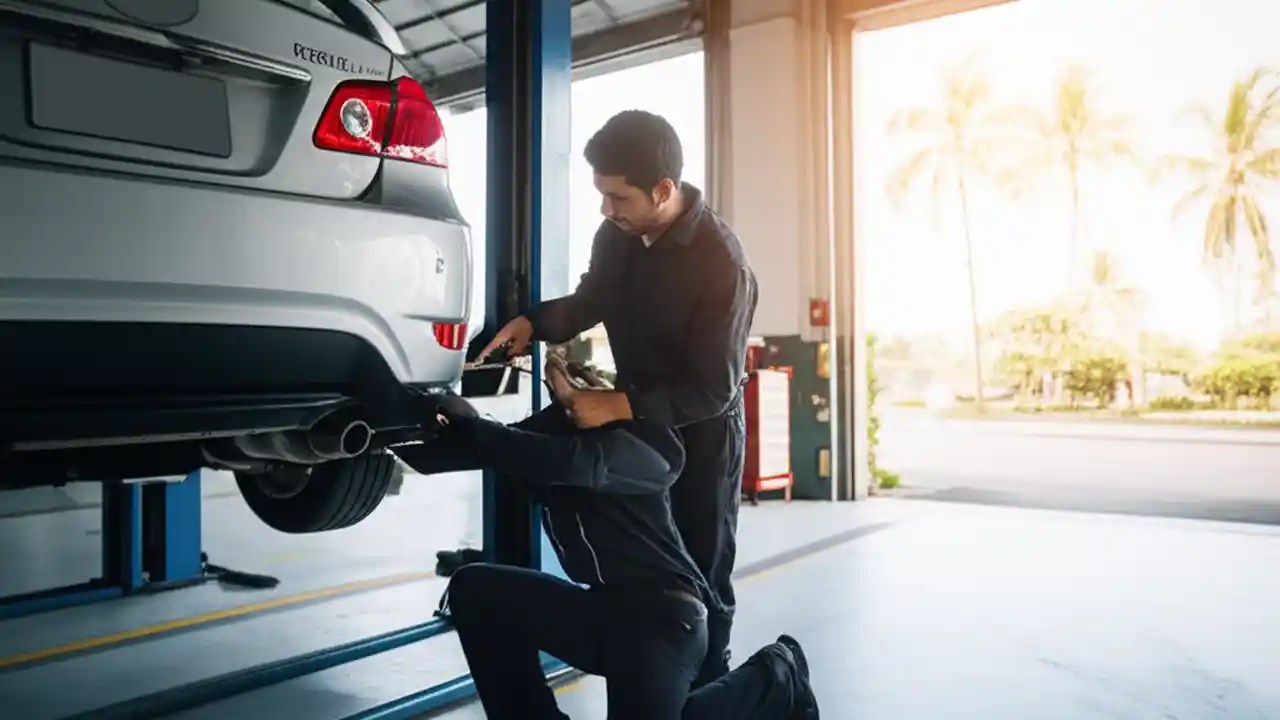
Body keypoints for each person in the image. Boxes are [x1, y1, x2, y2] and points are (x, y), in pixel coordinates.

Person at [477, 109, 758, 686]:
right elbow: (589, 302)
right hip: (640, 425)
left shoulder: (722, 264)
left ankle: (711, 683)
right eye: (602, 197)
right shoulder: (618, 237)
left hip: (702, 435)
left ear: (662, 190)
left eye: (617, 198)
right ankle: (646, 671)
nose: (606, 210)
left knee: (702, 570)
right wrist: (533, 322)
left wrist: (617, 405)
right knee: (645, 560)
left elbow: (712, 387)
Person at [393, 352, 816, 720]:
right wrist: (388, 423)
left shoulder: (645, 443)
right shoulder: (551, 435)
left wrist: (477, 429)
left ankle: (778, 675)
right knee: (476, 590)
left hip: (665, 624)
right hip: (604, 614)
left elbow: (564, 462)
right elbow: (479, 449)